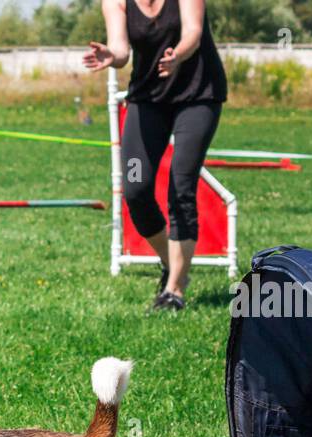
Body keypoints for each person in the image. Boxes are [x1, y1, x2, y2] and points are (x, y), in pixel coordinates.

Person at [84, 0, 226, 310]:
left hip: (198, 96)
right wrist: (112, 56)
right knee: (135, 187)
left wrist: (178, 55)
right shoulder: (116, 2)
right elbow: (121, 51)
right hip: (148, 99)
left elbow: (193, 32)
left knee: (181, 185)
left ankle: (174, 289)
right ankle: (170, 264)